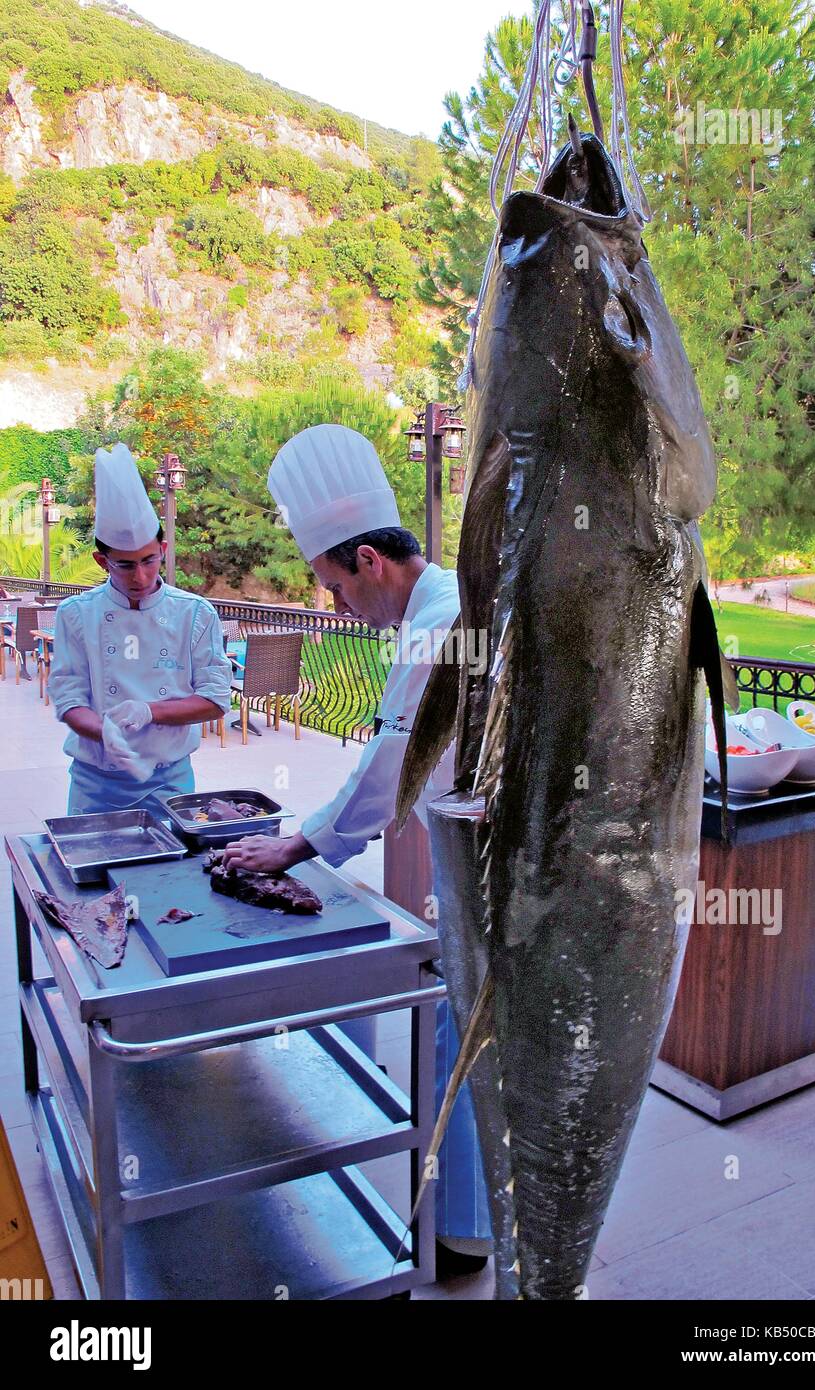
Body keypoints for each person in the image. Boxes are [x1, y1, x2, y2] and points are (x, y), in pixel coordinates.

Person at [223, 423, 492, 1278]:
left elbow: (389, 771)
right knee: (462, 1032)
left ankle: (463, 1241)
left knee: (467, 1037)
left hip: (489, 867)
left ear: (370, 560)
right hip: (471, 857)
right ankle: (463, 1229)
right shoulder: (435, 604)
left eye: (335, 586)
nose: (336, 606)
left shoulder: (441, 624)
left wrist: (297, 846)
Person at [48, 443, 233, 818]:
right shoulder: (75, 614)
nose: (141, 576)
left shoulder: (195, 613)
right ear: (103, 561)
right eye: (125, 565)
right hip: (95, 785)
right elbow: (69, 699)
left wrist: (149, 711)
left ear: (163, 549)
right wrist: (105, 733)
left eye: (149, 560)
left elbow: (215, 701)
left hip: (171, 782)